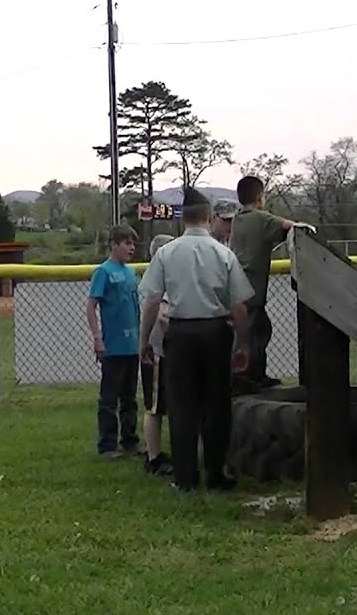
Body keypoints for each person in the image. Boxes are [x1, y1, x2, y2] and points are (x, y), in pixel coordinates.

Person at [138, 187, 254, 492]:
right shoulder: (223, 253)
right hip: (216, 333)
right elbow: (239, 305)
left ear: (184, 218)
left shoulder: (166, 253)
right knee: (217, 405)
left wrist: (145, 341)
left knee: (182, 406)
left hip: (180, 334)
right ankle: (216, 473)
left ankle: (185, 477)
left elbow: (151, 301)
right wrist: (242, 343)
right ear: (207, 217)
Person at [228, 175, 315, 393]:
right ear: (259, 197)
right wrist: (306, 228)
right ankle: (249, 376)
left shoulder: (238, 219)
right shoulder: (261, 218)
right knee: (255, 331)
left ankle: (250, 374)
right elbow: (288, 226)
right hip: (253, 287)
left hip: (236, 285)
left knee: (253, 329)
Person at [86, 224, 142, 459]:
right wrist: (98, 339)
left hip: (133, 345)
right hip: (114, 345)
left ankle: (130, 440)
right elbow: (91, 306)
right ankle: (107, 445)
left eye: (133, 243)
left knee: (130, 397)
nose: (131, 248)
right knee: (110, 397)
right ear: (114, 245)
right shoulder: (104, 272)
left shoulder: (130, 272)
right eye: (127, 243)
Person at [139, 233, 176, 476]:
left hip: (173, 352)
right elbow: (159, 315)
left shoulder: (171, 278)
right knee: (155, 406)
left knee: (173, 404)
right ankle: (153, 456)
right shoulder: (154, 280)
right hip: (157, 351)